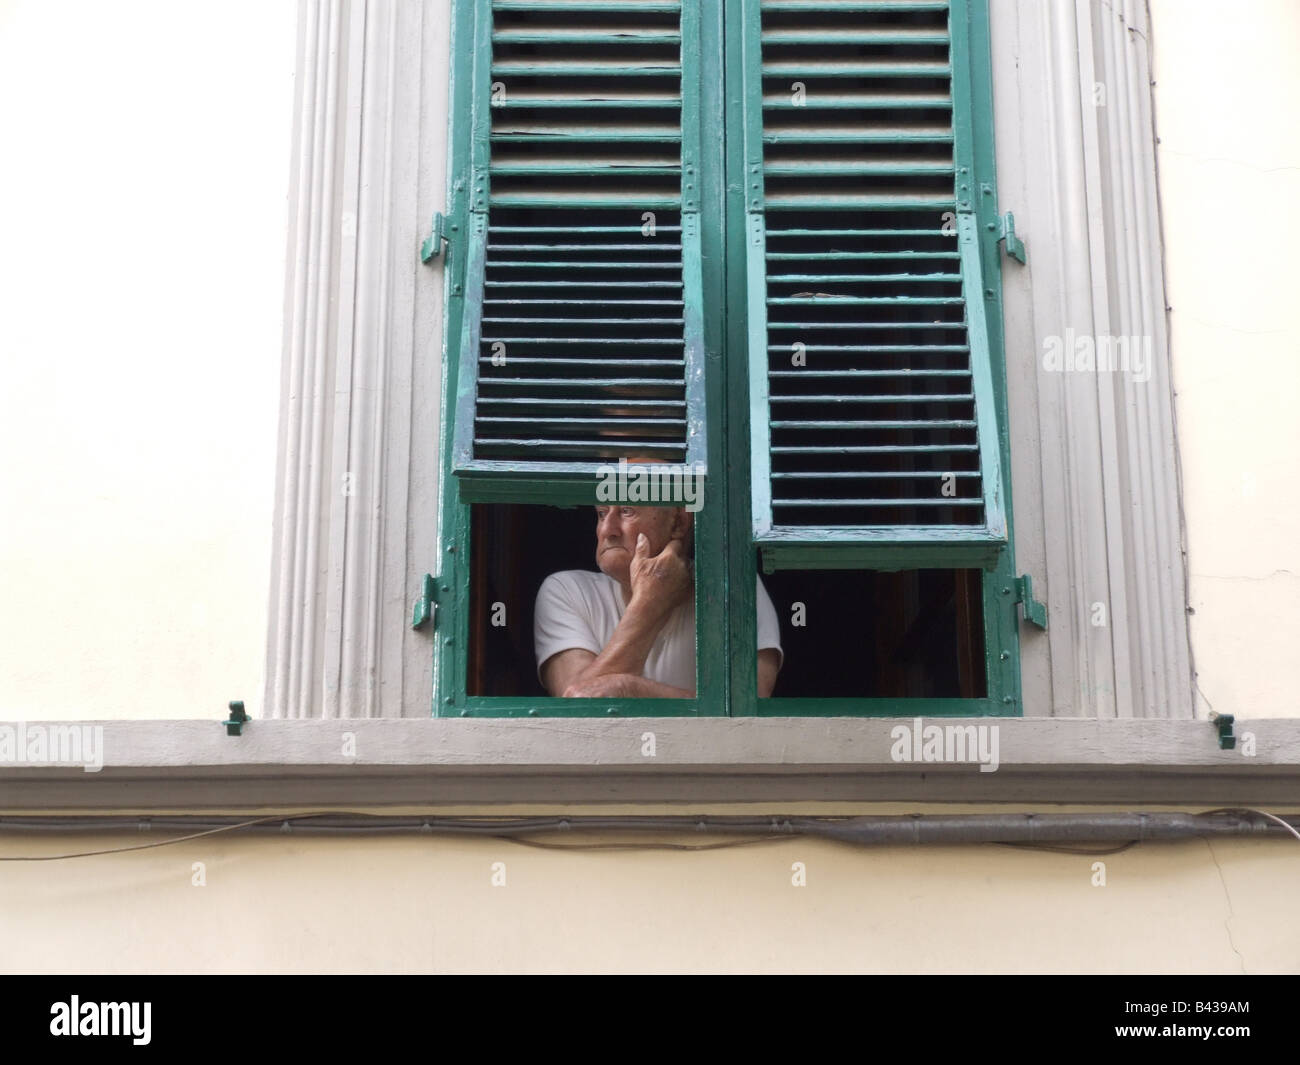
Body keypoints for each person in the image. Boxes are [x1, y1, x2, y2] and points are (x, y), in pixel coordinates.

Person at [534, 502, 783, 698]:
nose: (606, 530)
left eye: (626, 511)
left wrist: (629, 689)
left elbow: (751, 708)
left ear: (678, 523)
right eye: (601, 514)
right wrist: (650, 603)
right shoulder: (567, 590)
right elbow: (578, 704)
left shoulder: (734, 587)